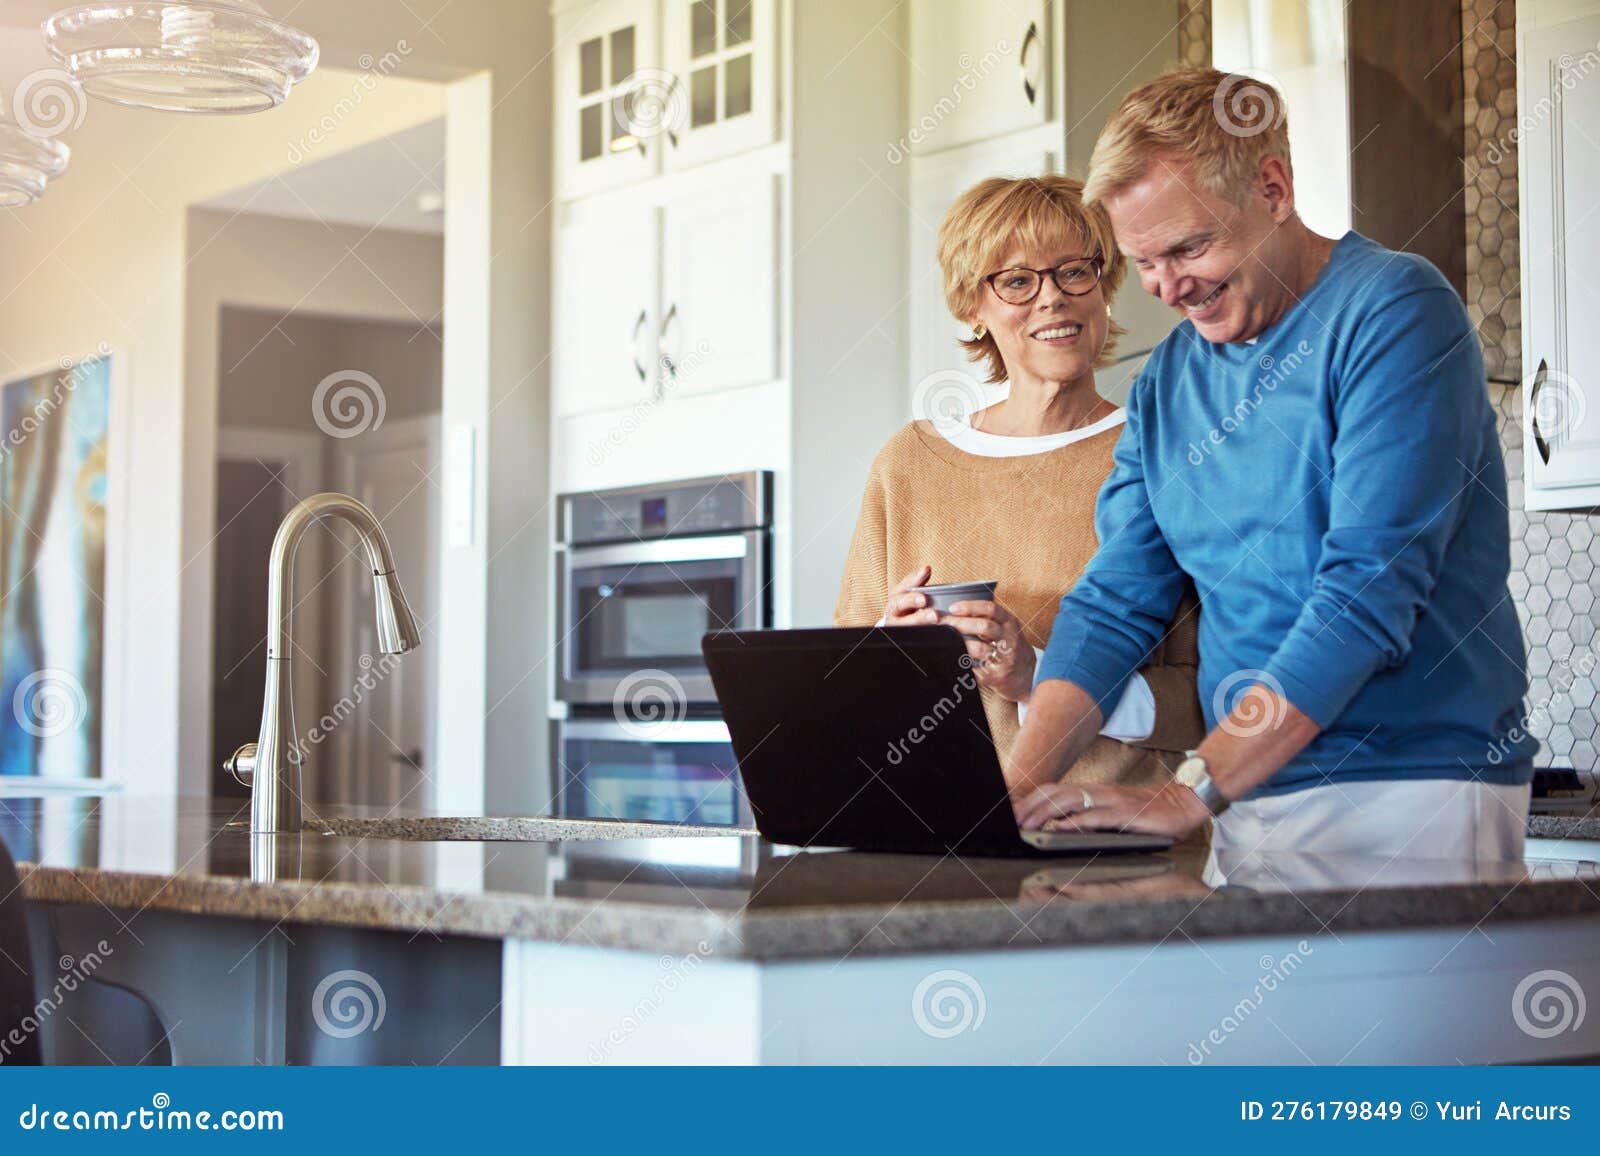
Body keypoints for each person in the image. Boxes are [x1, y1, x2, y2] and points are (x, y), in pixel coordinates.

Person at [1008, 70, 1535, 857]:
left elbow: (1366, 592)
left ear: (1275, 188)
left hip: (1411, 790)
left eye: (1190, 246)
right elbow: (1117, 601)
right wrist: (1012, 789)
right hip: (1245, 795)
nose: (1168, 287)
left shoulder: (1395, 312)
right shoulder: (1168, 381)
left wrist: (1193, 788)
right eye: (1144, 262)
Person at [834, 174, 1203, 790]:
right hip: (932, 841)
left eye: (1073, 272)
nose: (1051, 298)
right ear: (973, 306)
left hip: (1110, 850)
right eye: (1016, 280)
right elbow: (841, 690)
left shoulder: (1164, 458)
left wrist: (1039, 677)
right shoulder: (908, 464)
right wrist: (888, 657)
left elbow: (1204, 701)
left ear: (1105, 287)